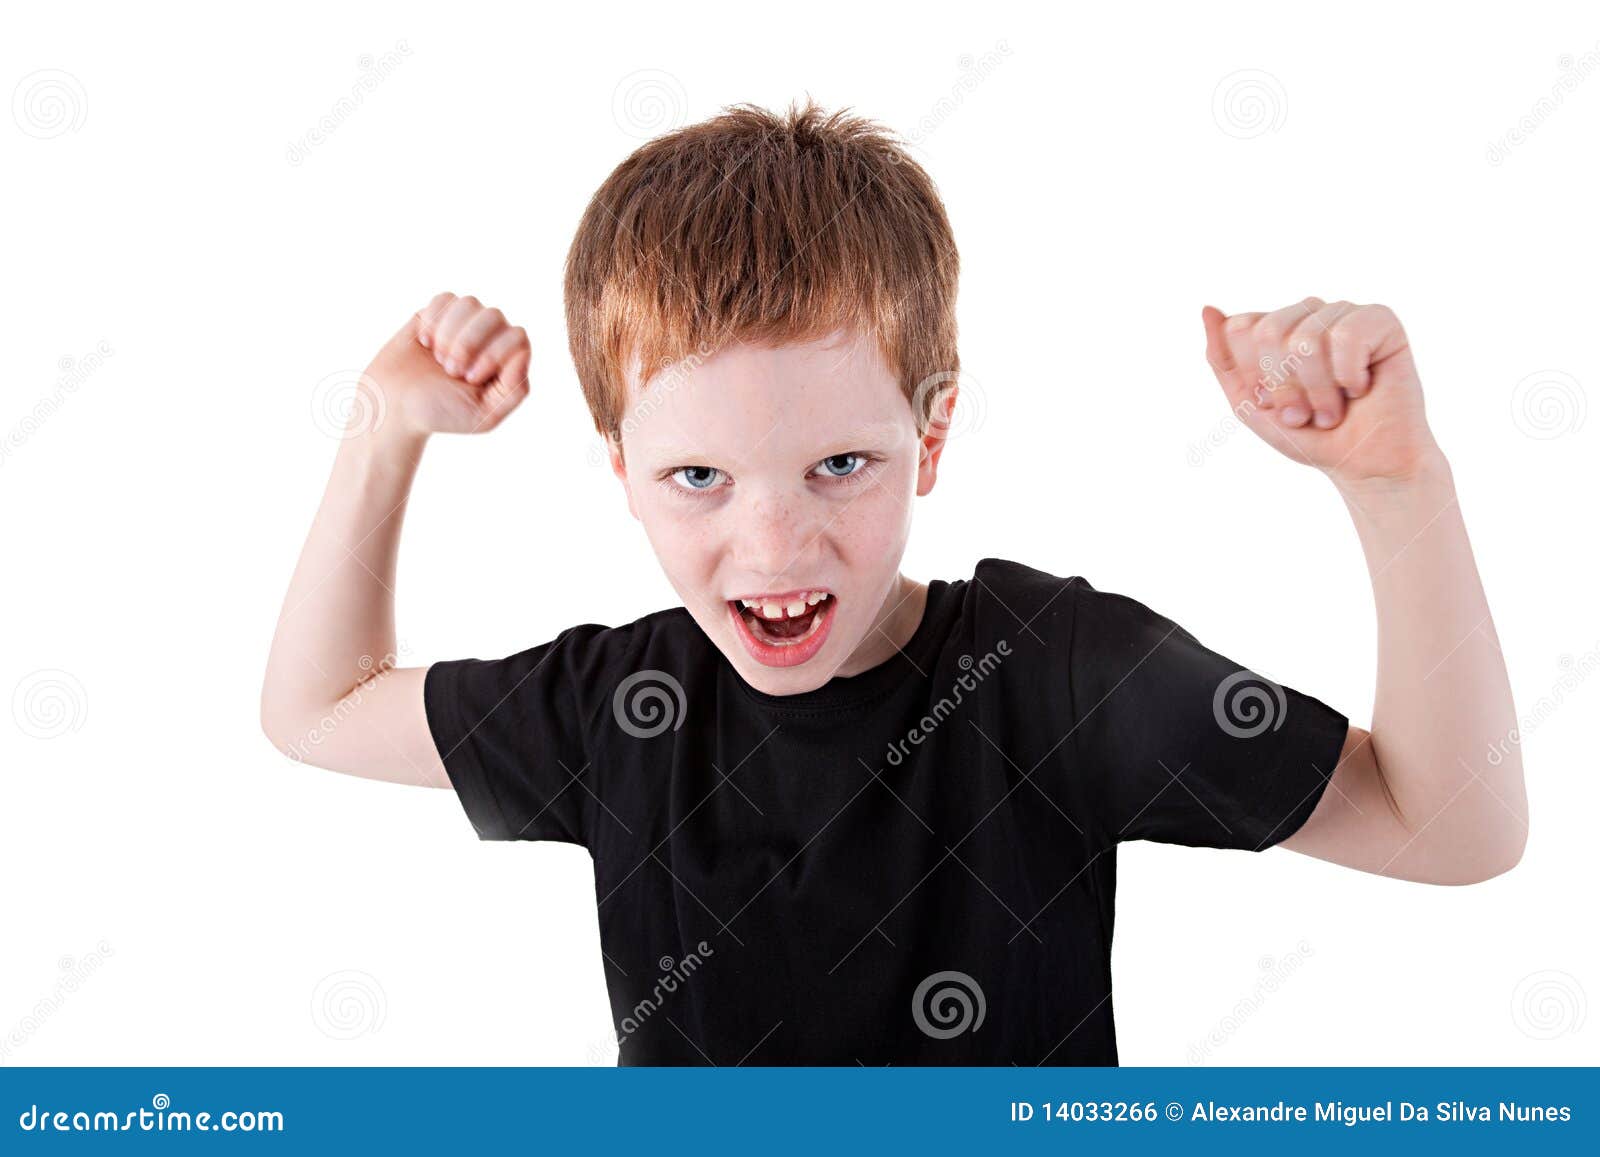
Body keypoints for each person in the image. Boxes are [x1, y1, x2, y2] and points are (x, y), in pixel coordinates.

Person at [260, 99, 1527, 1065]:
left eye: (839, 465)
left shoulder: (1051, 677)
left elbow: (1453, 829)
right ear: (621, 469)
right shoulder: (620, 705)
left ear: (929, 438)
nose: (773, 546)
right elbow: (316, 712)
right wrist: (384, 429)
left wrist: (1397, 486)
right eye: (698, 475)